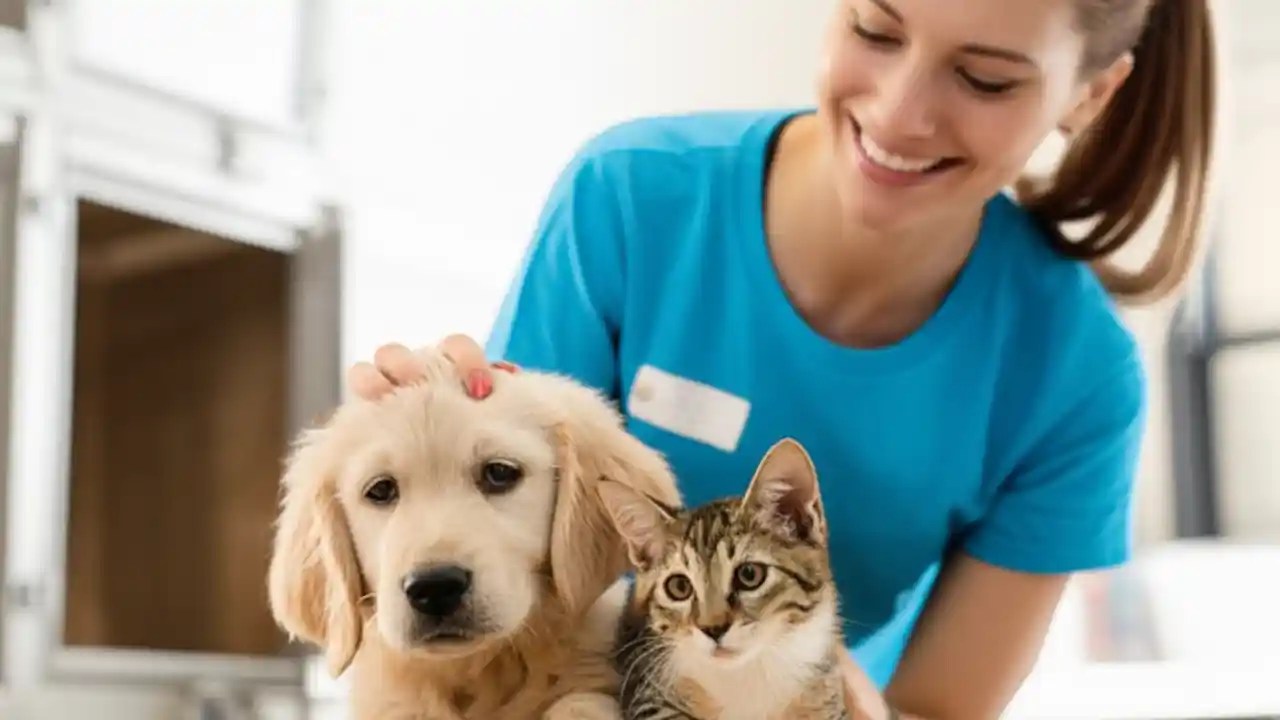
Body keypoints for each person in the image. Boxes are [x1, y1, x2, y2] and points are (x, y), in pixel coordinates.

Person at [348, 1, 1216, 717]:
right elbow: (512, 594)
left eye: (983, 78)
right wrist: (432, 450)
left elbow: (937, 710)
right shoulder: (631, 199)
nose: (898, 112)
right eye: (876, 30)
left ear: (1090, 93)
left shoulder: (1073, 373)